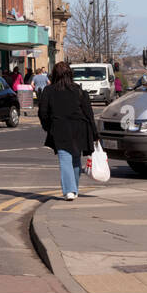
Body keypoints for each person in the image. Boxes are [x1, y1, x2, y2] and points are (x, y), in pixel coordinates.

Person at [37, 61, 100, 200]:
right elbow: (89, 114)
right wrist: (95, 133)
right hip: (80, 128)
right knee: (76, 159)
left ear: (54, 75)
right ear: (70, 74)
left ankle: (69, 190)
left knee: (65, 159)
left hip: (60, 128)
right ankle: (74, 189)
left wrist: (47, 127)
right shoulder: (78, 90)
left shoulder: (49, 90)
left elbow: (43, 112)